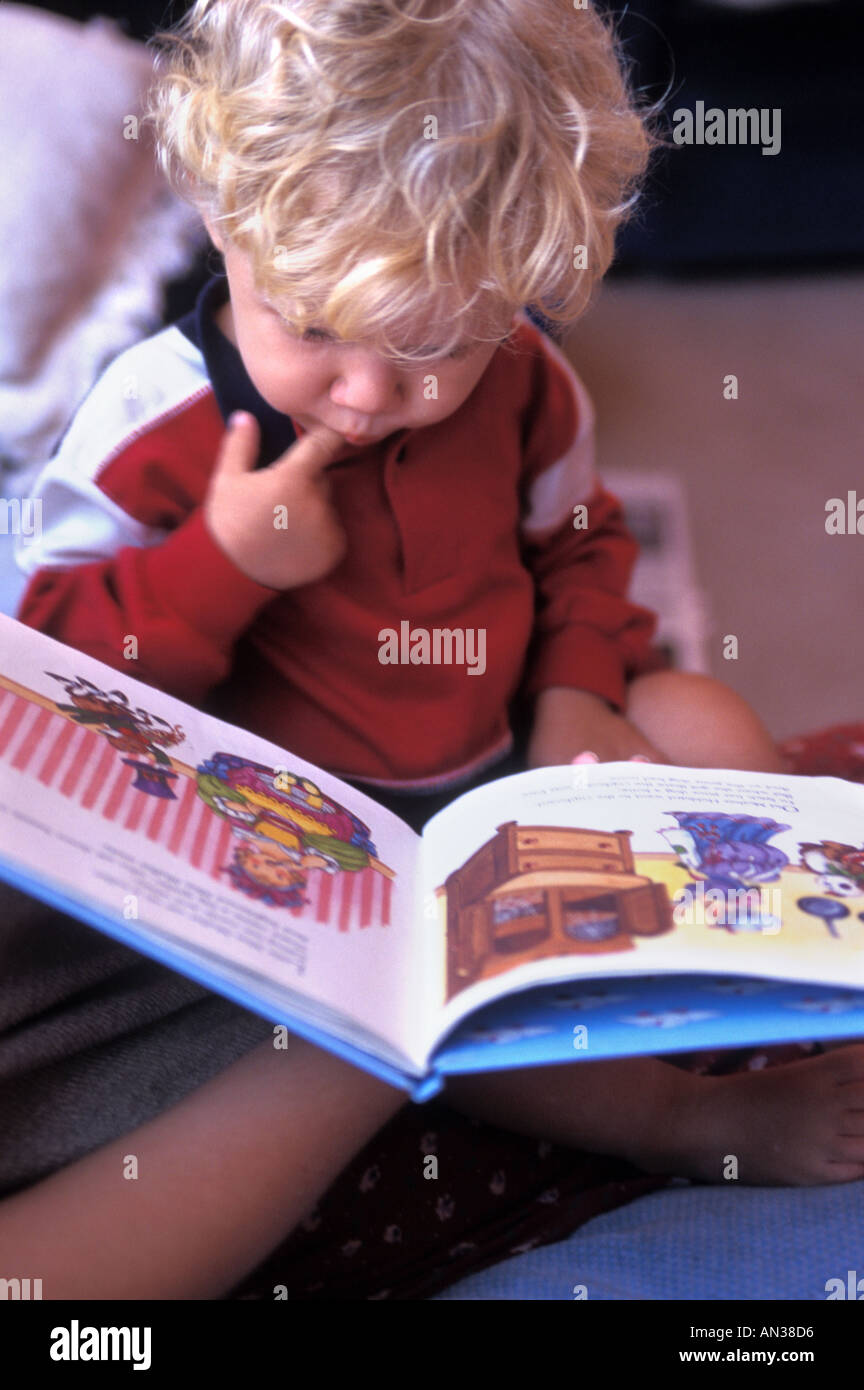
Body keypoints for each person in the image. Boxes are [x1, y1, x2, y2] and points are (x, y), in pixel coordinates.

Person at [6, 0, 863, 1301]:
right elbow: (57, 686)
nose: (364, 391)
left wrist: (579, 694)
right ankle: (680, 1121)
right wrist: (219, 563)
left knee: (711, 737)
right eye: (314, 326)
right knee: (454, 985)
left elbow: (578, 542)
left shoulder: (525, 383)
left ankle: (686, 1024)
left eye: (427, 347)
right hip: (280, 849)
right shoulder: (152, 427)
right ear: (231, 221)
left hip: (488, 770)